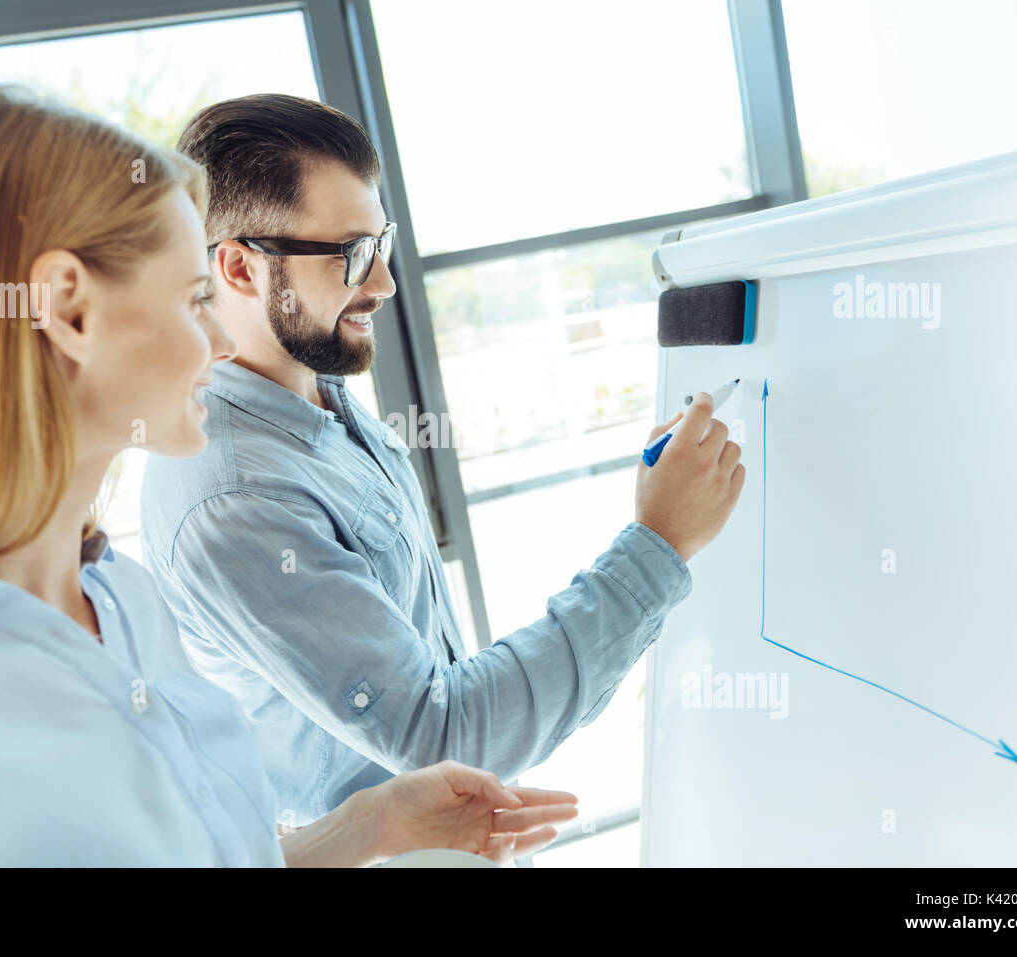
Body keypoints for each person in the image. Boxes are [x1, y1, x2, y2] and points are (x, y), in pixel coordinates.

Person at [0, 84, 578, 867]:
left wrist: (369, 824)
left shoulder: (119, 599)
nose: (221, 341)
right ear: (70, 311)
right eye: (196, 297)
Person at [139, 94, 746, 824]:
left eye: (382, 242)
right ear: (238, 268)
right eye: (352, 255)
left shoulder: (314, 387)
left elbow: (430, 686)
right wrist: (658, 543)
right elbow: (440, 732)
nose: (385, 282)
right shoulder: (233, 496)